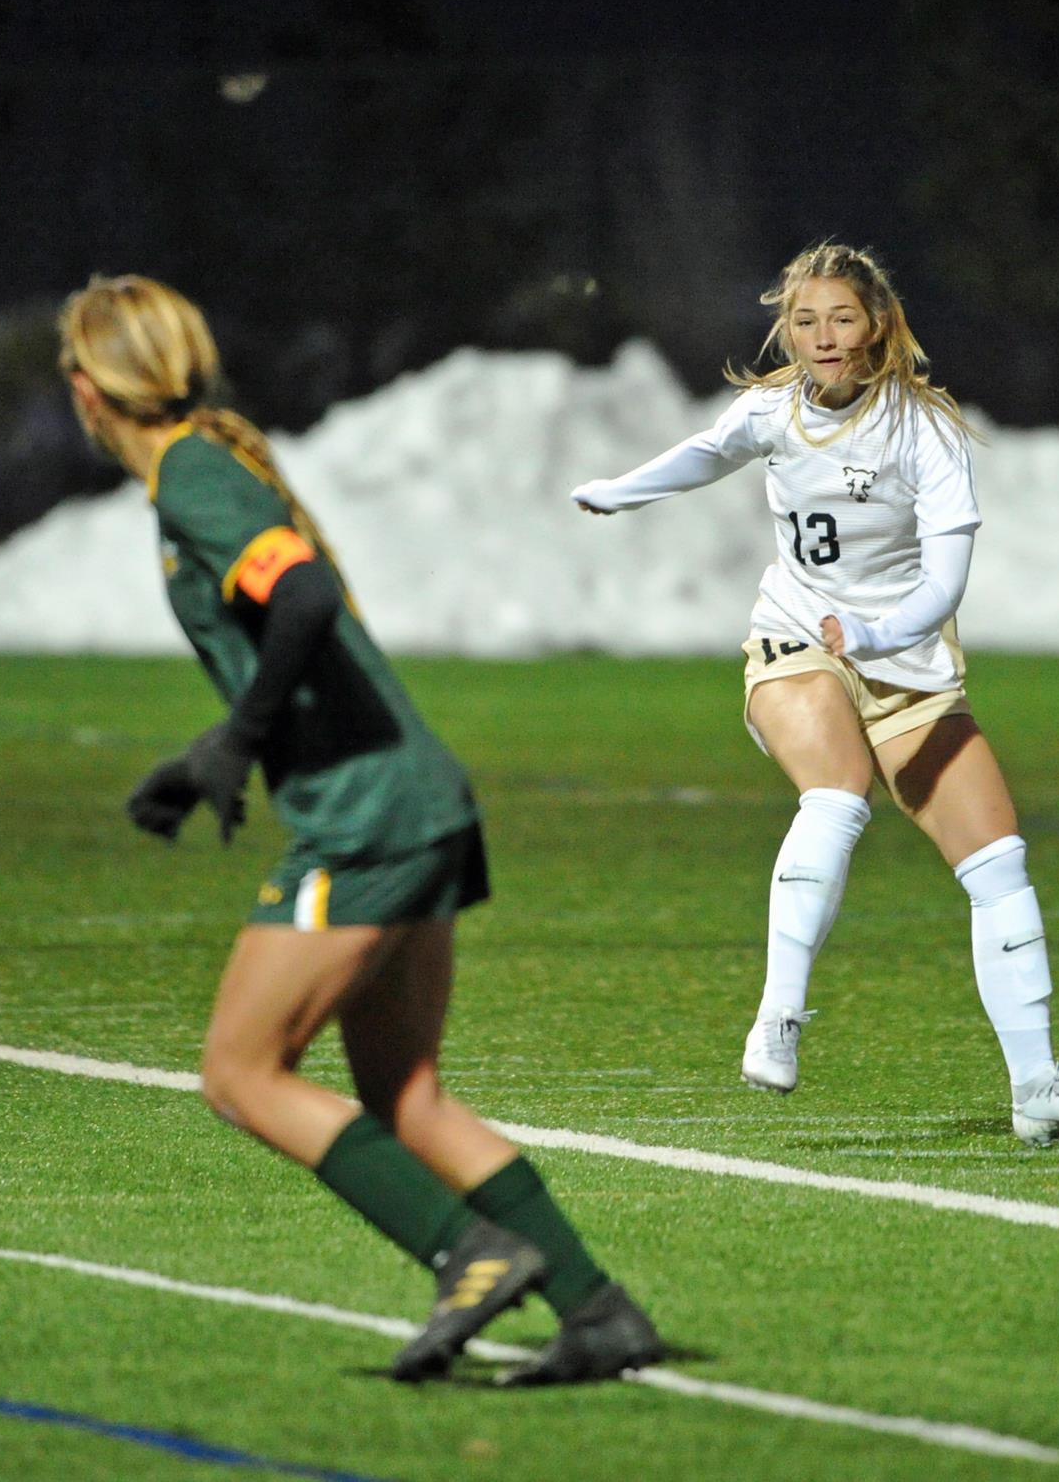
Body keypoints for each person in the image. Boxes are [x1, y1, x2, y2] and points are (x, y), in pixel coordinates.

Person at [59, 275, 662, 1382]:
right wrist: (212, 760)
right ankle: (597, 1312)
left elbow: (303, 601)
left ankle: (467, 1252)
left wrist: (235, 739)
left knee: (241, 1072)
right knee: (406, 1096)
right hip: (416, 797)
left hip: (368, 821)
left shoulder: (192, 474)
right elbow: (293, 633)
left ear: (91, 388)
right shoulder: (210, 463)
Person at [572, 242, 1059, 1144]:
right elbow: (702, 454)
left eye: (840, 318)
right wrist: (616, 493)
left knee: (999, 864)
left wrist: (875, 634)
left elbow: (944, 584)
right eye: (804, 320)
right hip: (797, 636)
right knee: (836, 789)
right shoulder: (773, 410)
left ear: (876, 324)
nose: (823, 337)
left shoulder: (927, 429)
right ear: (785, 329)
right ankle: (778, 1017)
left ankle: (1036, 1090)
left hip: (901, 658)